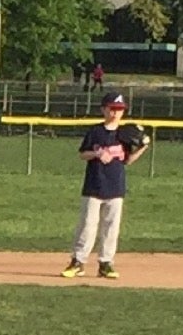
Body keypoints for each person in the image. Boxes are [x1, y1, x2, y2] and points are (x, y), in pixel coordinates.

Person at [60, 90, 148, 281]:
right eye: (112, 109)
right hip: (94, 185)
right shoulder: (96, 132)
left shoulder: (125, 134)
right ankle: (78, 262)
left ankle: (106, 263)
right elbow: (82, 154)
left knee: (111, 227)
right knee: (87, 226)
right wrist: (97, 154)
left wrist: (142, 148)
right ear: (104, 110)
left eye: (119, 109)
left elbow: (128, 161)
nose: (116, 113)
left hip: (116, 186)